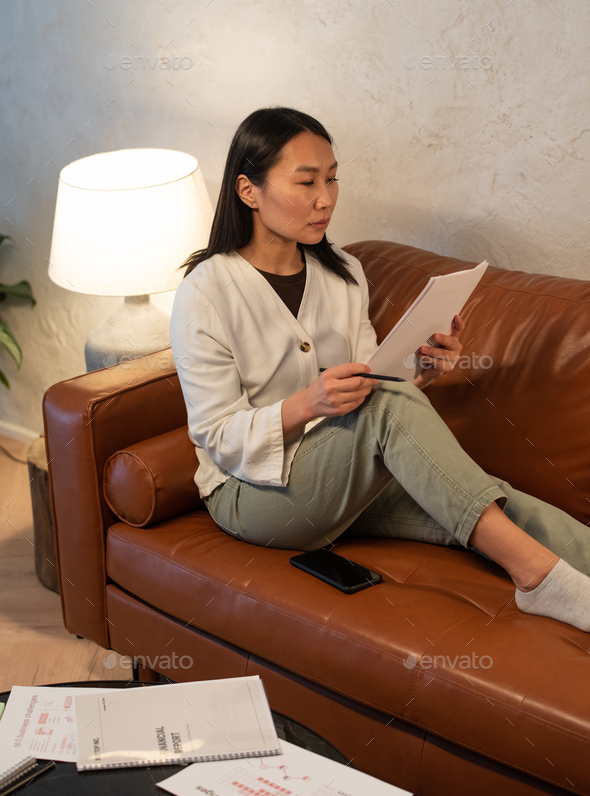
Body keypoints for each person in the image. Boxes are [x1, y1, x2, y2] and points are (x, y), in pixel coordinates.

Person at [169, 106, 590, 632]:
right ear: (248, 190)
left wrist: (422, 369)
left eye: (332, 178)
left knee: (494, 497)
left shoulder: (344, 273)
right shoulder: (205, 292)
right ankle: (535, 578)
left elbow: (372, 385)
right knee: (413, 434)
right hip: (251, 494)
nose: (326, 198)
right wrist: (307, 405)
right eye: (306, 182)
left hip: (344, 474)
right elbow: (214, 434)